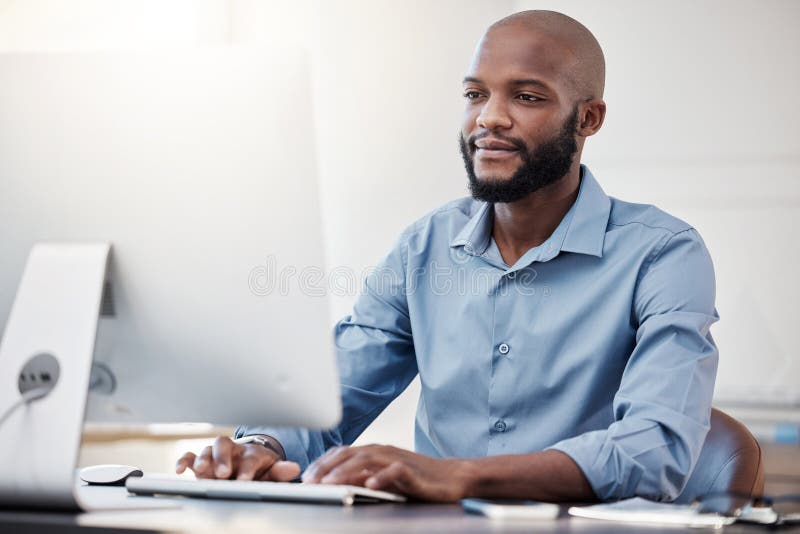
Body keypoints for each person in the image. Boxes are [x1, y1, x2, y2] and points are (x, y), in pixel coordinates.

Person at [176, 10, 719, 503]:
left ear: (589, 119)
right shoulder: (424, 246)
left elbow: (655, 450)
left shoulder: (663, 254)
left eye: (527, 97)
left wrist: (459, 474)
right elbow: (334, 397)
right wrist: (261, 447)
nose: (490, 118)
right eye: (475, 94)